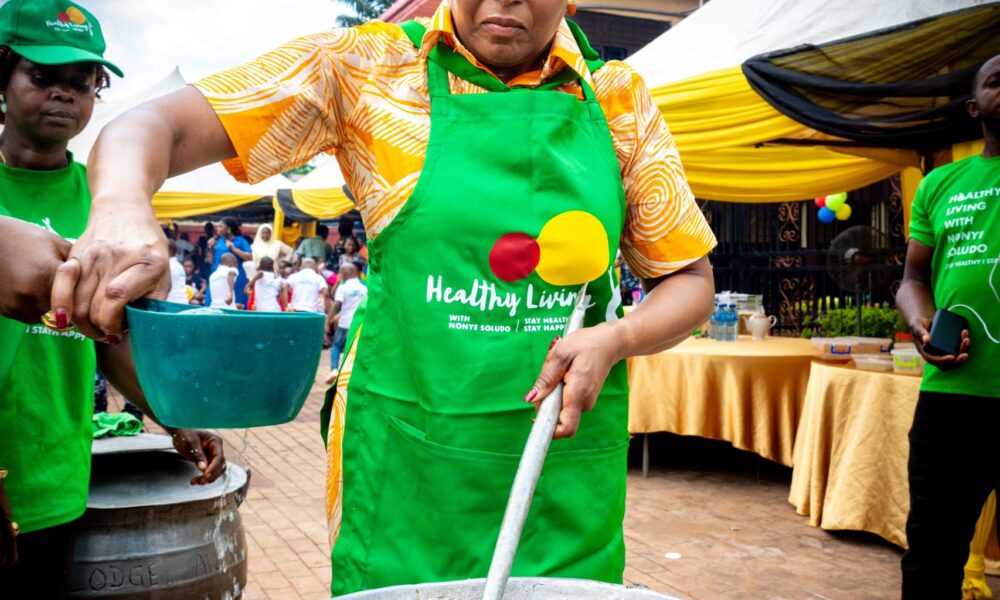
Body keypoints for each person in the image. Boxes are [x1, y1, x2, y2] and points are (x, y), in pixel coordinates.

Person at [54, 0, 718, 593]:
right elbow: (153, 125)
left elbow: (688, 281)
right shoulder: (364, 69)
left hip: (565, 469)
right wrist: (118, 205)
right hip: (409, 472)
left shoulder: (618, 99)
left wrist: (618, 337)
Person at [0, 0, 225, 593]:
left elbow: (109, 337)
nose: (63, 95)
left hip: (52, 482)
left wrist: (174, 413)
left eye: (82, 82)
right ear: (3, 78)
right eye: (42, 76)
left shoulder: (106, 204)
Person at [895, 55, 1000, 600]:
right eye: (996, 79)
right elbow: (912, 277)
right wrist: (921, 323)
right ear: (973, 105)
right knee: (933, 553)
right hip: (953, 398)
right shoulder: (940, 184)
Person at [327, 263, 367, 377]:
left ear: (344, 273)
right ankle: (351, 372)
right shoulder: (364, 288)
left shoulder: (343, 287)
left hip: (345, 323)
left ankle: (334, 369)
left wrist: (328, 320)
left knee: (336, 346)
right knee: (353, 348)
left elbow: (336, 304)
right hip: (359, 323)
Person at [205, 217, 251, 307]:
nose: (218, 229)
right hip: (217, 276)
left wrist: (233, 249)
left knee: (235, 303)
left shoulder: (240, 241)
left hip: (234, 277)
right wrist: (210, 247)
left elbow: (249, 257)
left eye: (221, 227)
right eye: (217, 227)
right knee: (212, 302)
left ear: (229, 229)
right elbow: (210, 260)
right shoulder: (219, 241)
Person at [165, 239, 189, 304]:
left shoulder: (167, 266)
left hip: (172, 302)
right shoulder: (179, 266)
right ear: (176, 253)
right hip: (184, 301)